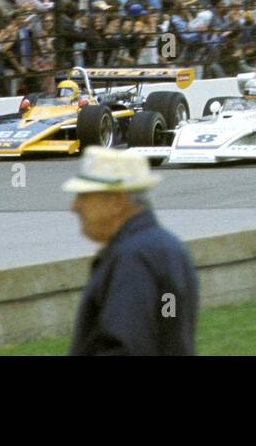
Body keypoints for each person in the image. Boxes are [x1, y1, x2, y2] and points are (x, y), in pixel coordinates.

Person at [64, 148, 198, 356]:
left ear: (117, 202)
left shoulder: (131, 257)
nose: (75, 206)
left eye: (84, 195)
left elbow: (127, 346)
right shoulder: (168, 247)